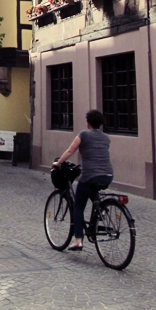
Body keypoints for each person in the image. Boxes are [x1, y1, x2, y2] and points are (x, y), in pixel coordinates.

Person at [52, 108, 114, 252]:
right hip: (108, 175)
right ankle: (101, 209)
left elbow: (70, 150)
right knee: (92, 190)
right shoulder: (106, 137)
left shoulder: (83, 135)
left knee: (78, 206)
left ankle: (78, 240)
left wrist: (58, 163)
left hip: (90, 175)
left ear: (88, 122)